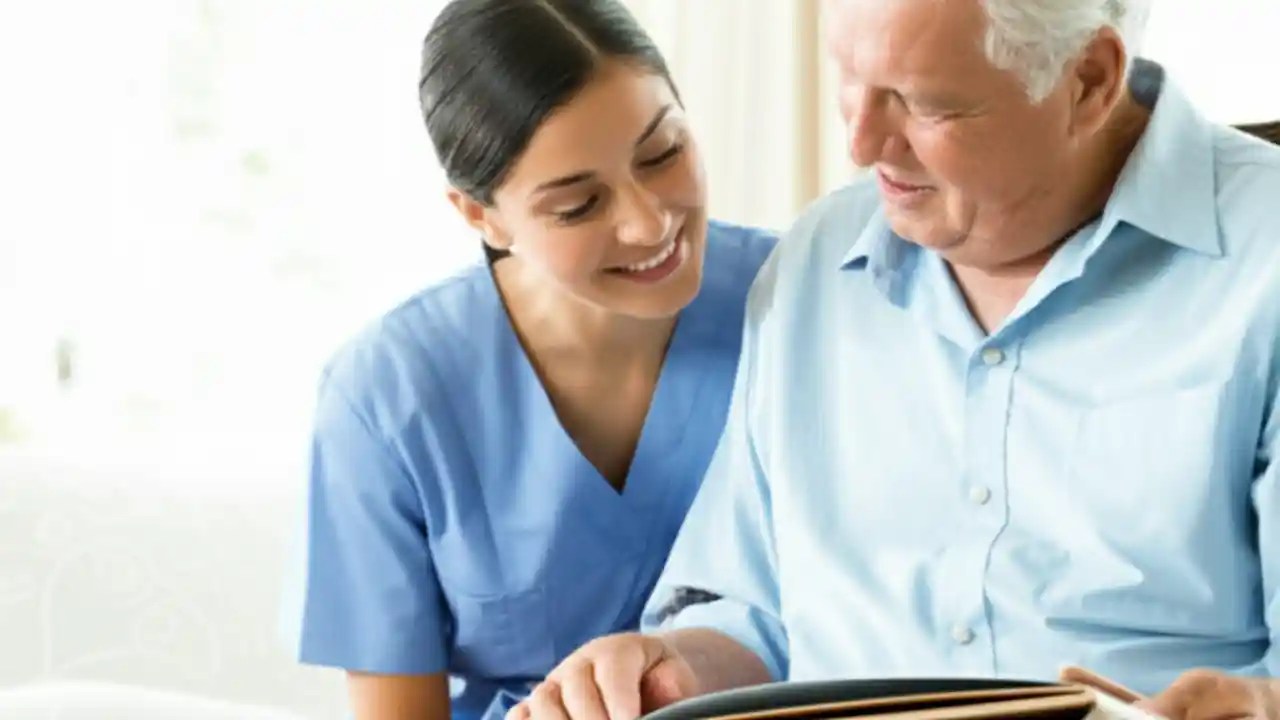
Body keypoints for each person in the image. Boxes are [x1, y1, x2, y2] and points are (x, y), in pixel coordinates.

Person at [508, 1, 1280, 719]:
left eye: (925, 102)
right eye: (849, 76)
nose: (861, 142)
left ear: (1088, 80)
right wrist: (659, 671)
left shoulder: (1262, 266)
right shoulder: (814, 262)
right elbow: (756, 614)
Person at [283, 1, 776, 719]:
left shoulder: (805, 307)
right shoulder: (387, 397)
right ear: (482, 217)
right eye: (578, 205)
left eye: (663, 153)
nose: (650, 221)